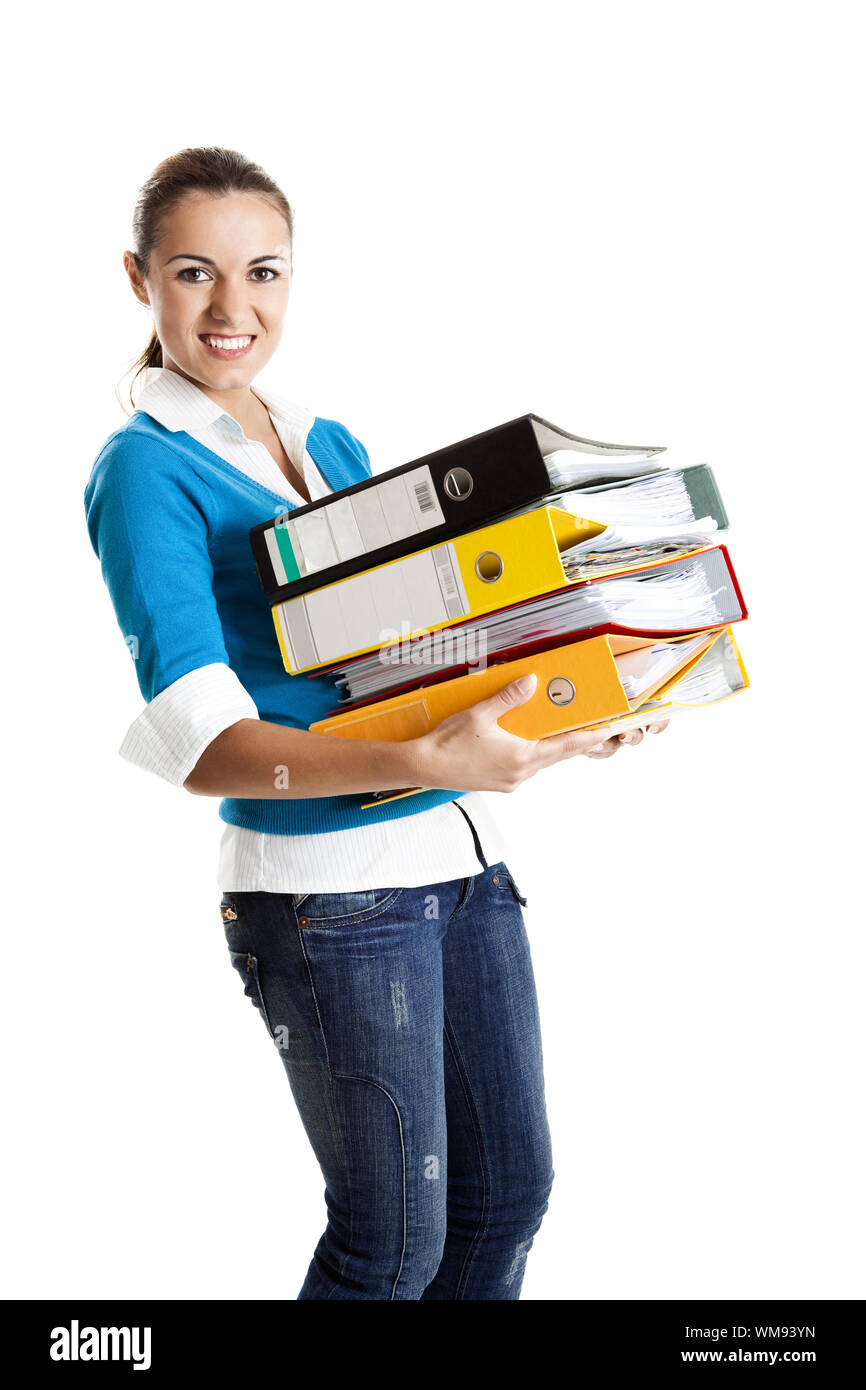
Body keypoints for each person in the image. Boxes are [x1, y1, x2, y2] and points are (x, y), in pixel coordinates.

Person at [83, 145, 668, 1300]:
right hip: (327, 899)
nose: (233, 307)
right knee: (388, 1244)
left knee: (505, 1198)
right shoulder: (144, 472)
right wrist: (422, 756)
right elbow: (206, 748)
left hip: (460, 862)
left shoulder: (330, 442)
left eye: (264, 272)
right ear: (138, 278)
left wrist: (564, 700)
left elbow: (407, 652)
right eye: (195, 272)